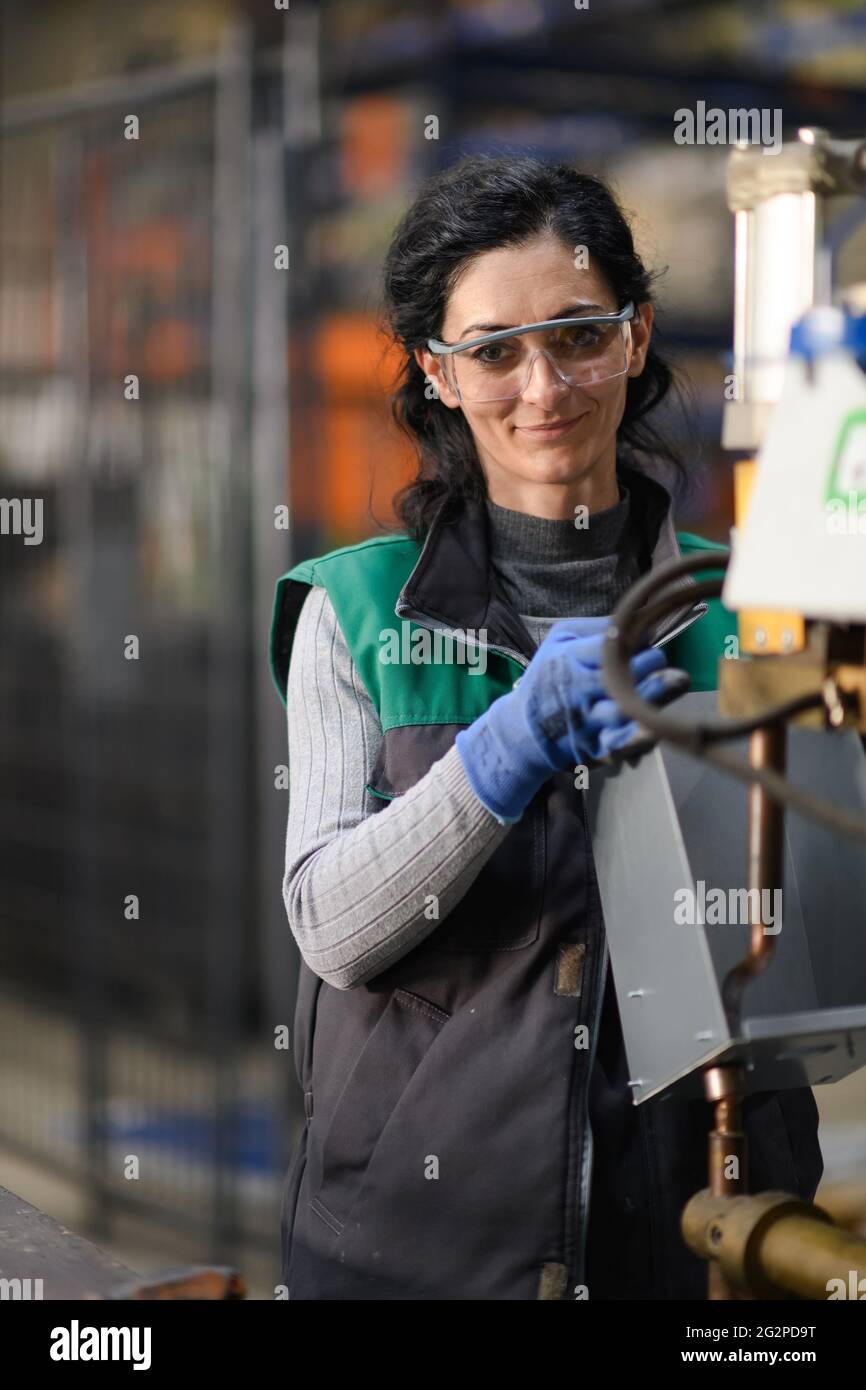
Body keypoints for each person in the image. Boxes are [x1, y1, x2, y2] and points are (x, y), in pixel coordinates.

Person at [269, 155, 823, 1301]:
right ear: (435, 372)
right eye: (491, 350)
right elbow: (330, 927)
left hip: (701, 1233)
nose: (541, 385)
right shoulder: (357, 612)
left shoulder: (758, 613)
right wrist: (504, 750)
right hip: (420, 1251)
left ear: (633, 335)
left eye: (576, 334)